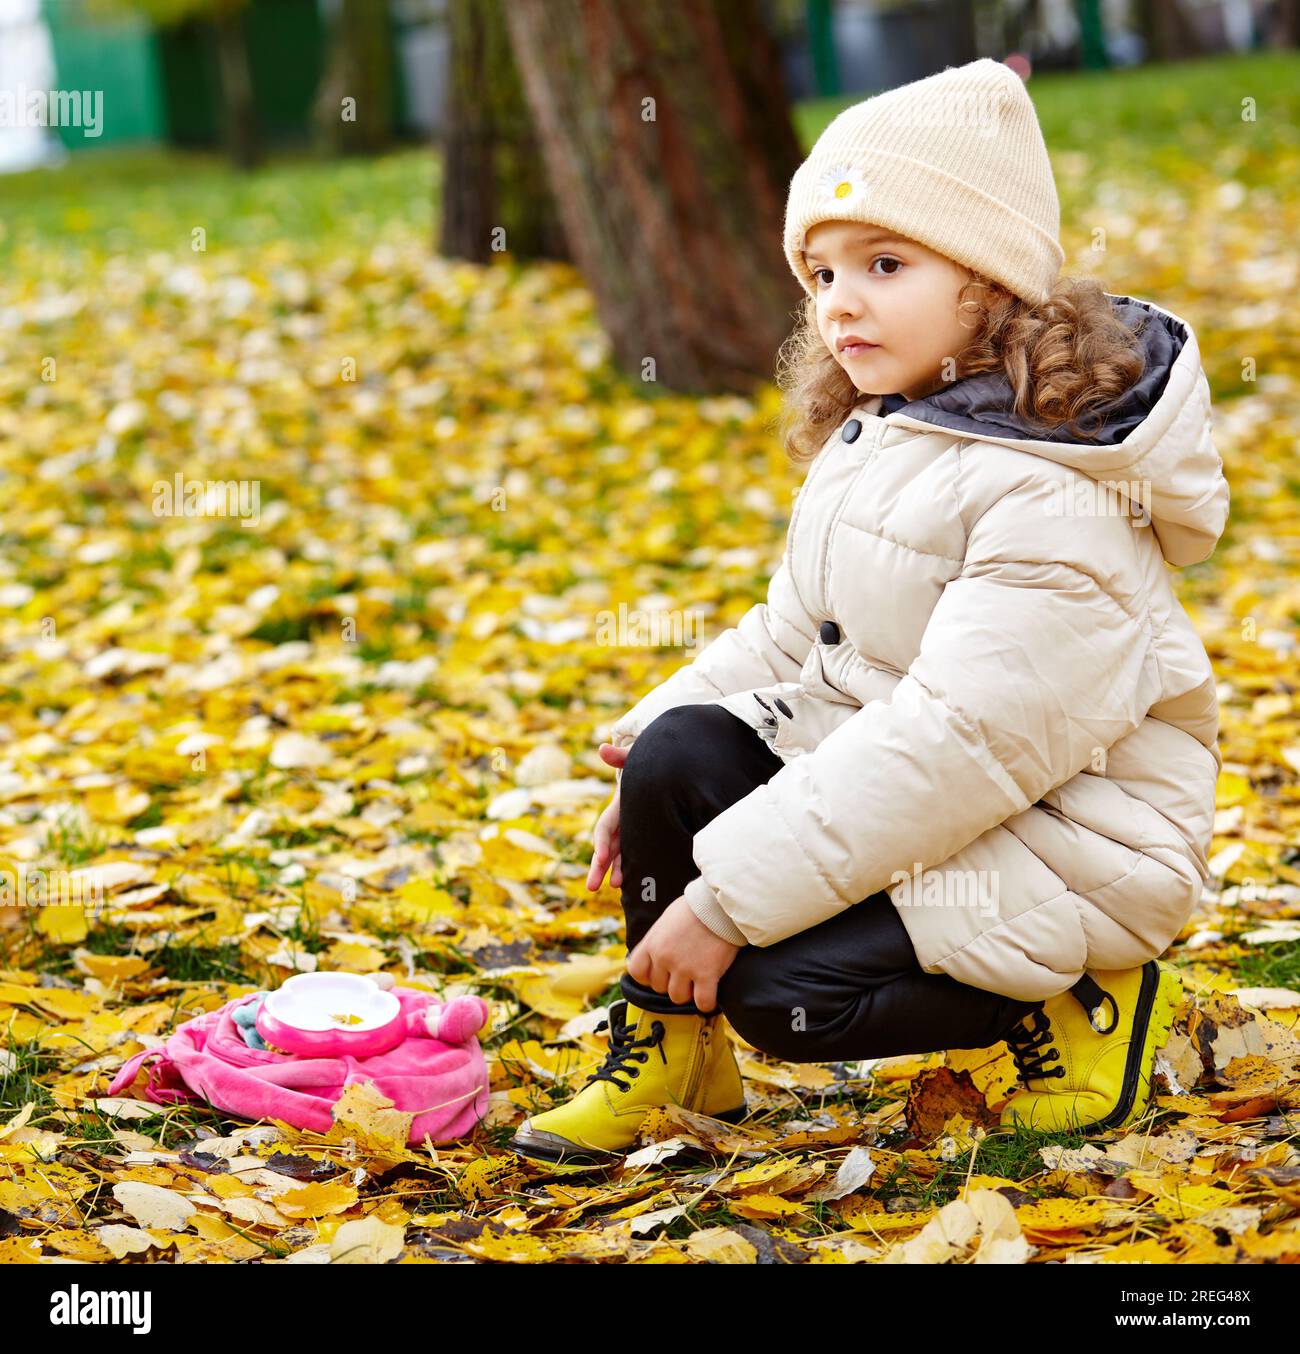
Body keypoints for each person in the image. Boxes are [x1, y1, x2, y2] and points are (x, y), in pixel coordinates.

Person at [510, 57, 1228, 1165]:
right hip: (947, 806)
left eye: (884, 263)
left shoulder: (1051, 495)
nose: (840, 299)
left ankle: (1085, 997)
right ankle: (669, 1051)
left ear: (989, 285)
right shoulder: (892, 430)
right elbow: (795, 634)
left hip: (1068, 846)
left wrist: (725, 901)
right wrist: (650, 747)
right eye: (823, 270)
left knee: (779, 991)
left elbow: (954, 743)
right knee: (678, 750)